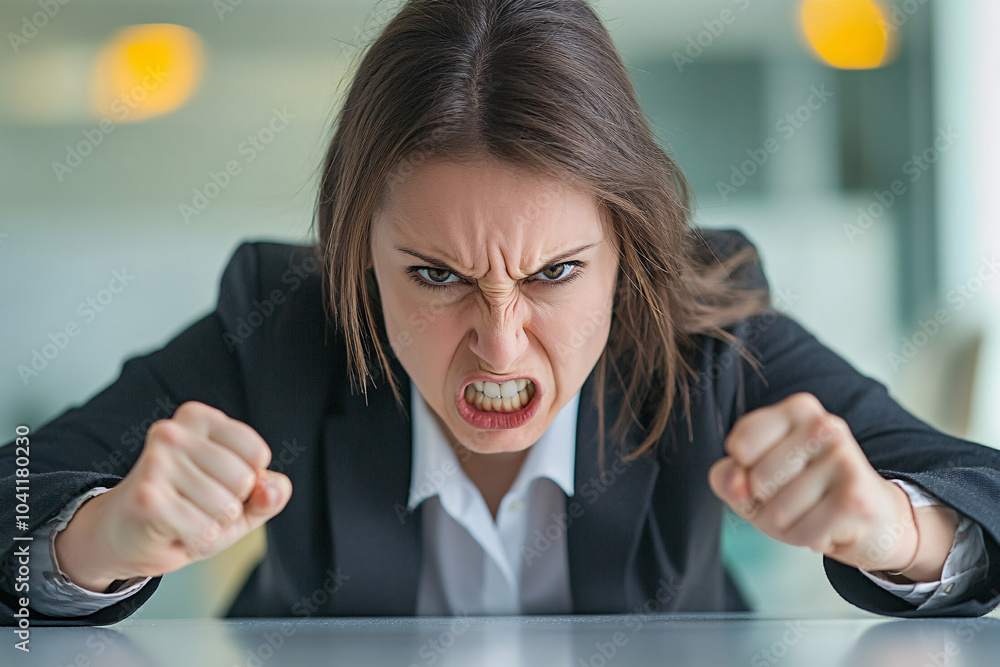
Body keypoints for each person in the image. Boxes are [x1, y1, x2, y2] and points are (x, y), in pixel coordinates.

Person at [2, 0, 999, 626]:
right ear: (356, 257)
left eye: (556, 273)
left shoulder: (704, 333)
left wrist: (897, 529)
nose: (500, 341)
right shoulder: (282, 323)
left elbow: (982, 494)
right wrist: (92, 542)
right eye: (434, 276)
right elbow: (17, 494)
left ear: (626, 256)